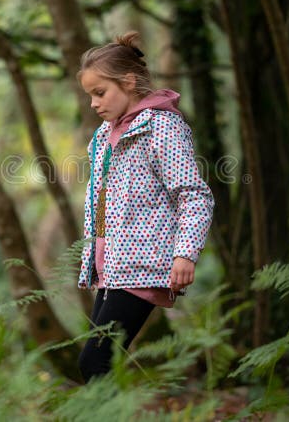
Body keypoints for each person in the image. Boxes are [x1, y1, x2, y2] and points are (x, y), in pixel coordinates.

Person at [75, 31, 214, 383]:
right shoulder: (104, 135)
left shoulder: (161, 127)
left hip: (144, 265)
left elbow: (194, 195)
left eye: (100, 93)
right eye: (90, 95)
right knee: (95, 365)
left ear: (129, 82)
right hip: (111, 266)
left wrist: (185, 253)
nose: (94, 103)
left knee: (95, 362)